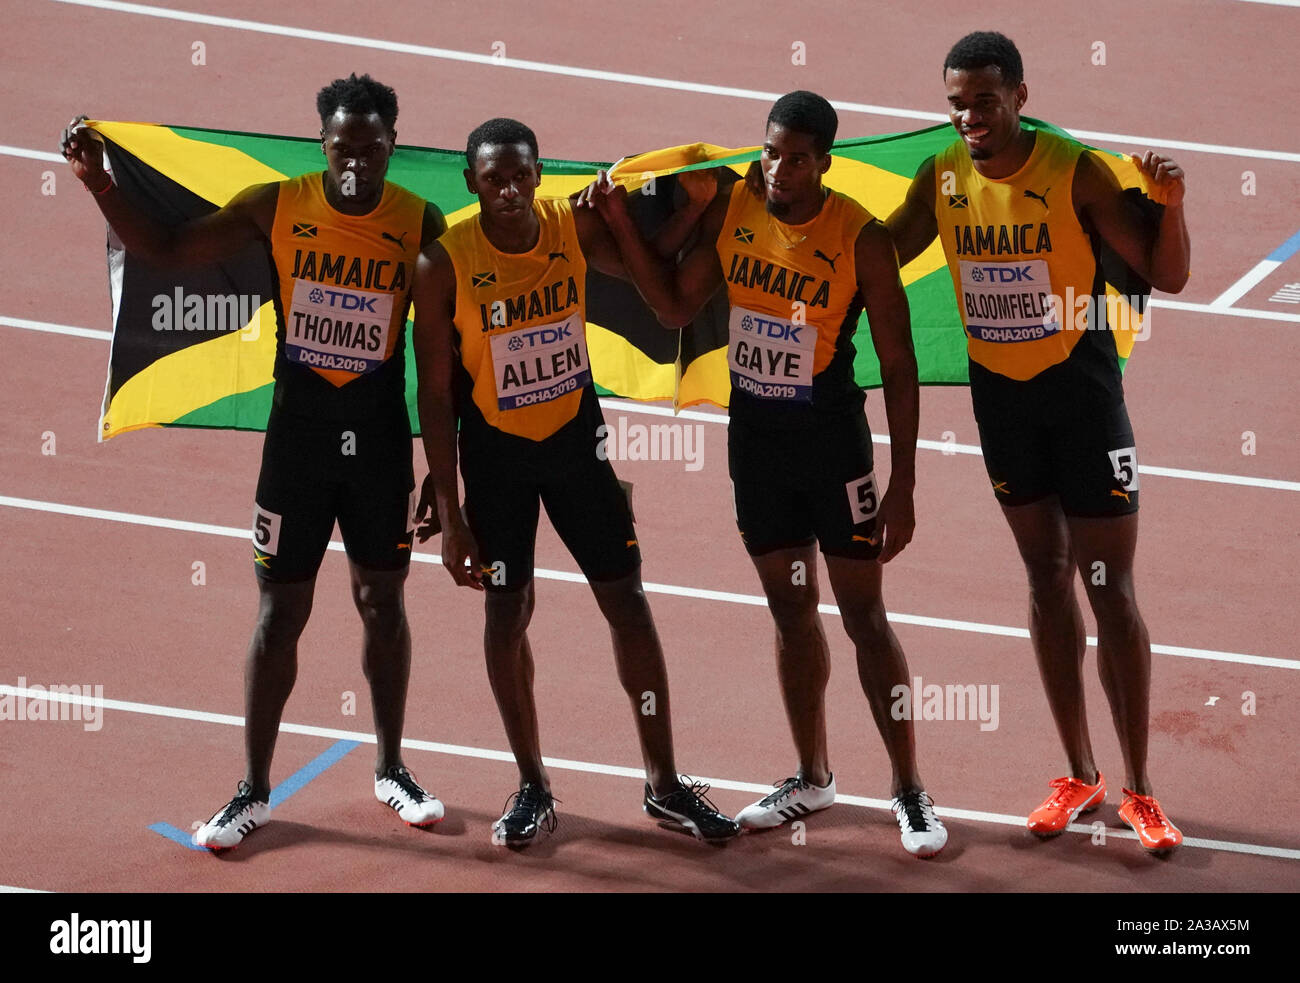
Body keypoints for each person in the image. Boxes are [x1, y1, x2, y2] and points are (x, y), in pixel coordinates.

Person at [61, 74, 449, 849]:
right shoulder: (277, 206)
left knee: (384, 603)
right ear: (322, 144)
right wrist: (100, 182)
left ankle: (392, 767)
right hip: (297, 443)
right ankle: (252, 789)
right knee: (279, 615)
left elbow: (444, 355)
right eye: (343, 149)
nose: (356, 165)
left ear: (393, 147)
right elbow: (168, 246)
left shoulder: (421, 222)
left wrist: (448, 466)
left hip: (378, 446)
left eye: (372, 150)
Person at [582, 91, 948, 857]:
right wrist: (618, 219)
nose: (779, 169)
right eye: (772, 151)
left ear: (825, 162)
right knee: (790, 612)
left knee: (863, 617)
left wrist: (905, 483)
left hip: (832, 443)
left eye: (798, 158)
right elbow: (677, 304)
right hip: (755, 443)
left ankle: (910, 789)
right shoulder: (735, 206)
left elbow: (903, 367)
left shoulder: (861, 238)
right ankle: (812, 776)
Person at [884, 32, 1189, 853]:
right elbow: (877, 250)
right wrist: (762, 220)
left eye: (984, 100)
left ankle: (1141, 788)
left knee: (1109, 587)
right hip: (1004, 404)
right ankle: (1077, 771)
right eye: (955, 103)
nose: (969, 117)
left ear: (1020, 94)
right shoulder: (941, 175)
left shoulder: (1071, 168)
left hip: (1083, 395)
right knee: (1046, 574)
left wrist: (1170, 205)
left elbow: (1167, 274)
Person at [411, 117, 741, 847]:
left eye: (520, 174)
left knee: (628, 600)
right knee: (507, 611)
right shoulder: (444, 262)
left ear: (537, 175)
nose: (508, 189)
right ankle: (531, 782)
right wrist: (450, 507)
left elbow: (650, 266)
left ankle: (664, 783)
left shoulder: (568, 223)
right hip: (496, 457)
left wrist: (685, 208)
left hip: (576, 444)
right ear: (471, 182)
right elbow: (433, 393)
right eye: (493, 177)